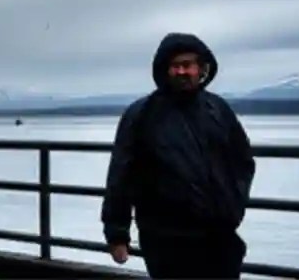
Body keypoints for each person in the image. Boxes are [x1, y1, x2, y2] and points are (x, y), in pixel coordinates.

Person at [101, 32, 256, 279]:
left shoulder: (218, 109)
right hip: (166, 239)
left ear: (201, 69)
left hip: (219, 237)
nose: (182, 71)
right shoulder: (142, 114)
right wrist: (117, 234)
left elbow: (243, 161)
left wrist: (233, 206)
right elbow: (121, 175)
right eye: (175, 66)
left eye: (188, 65)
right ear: (165, 70)